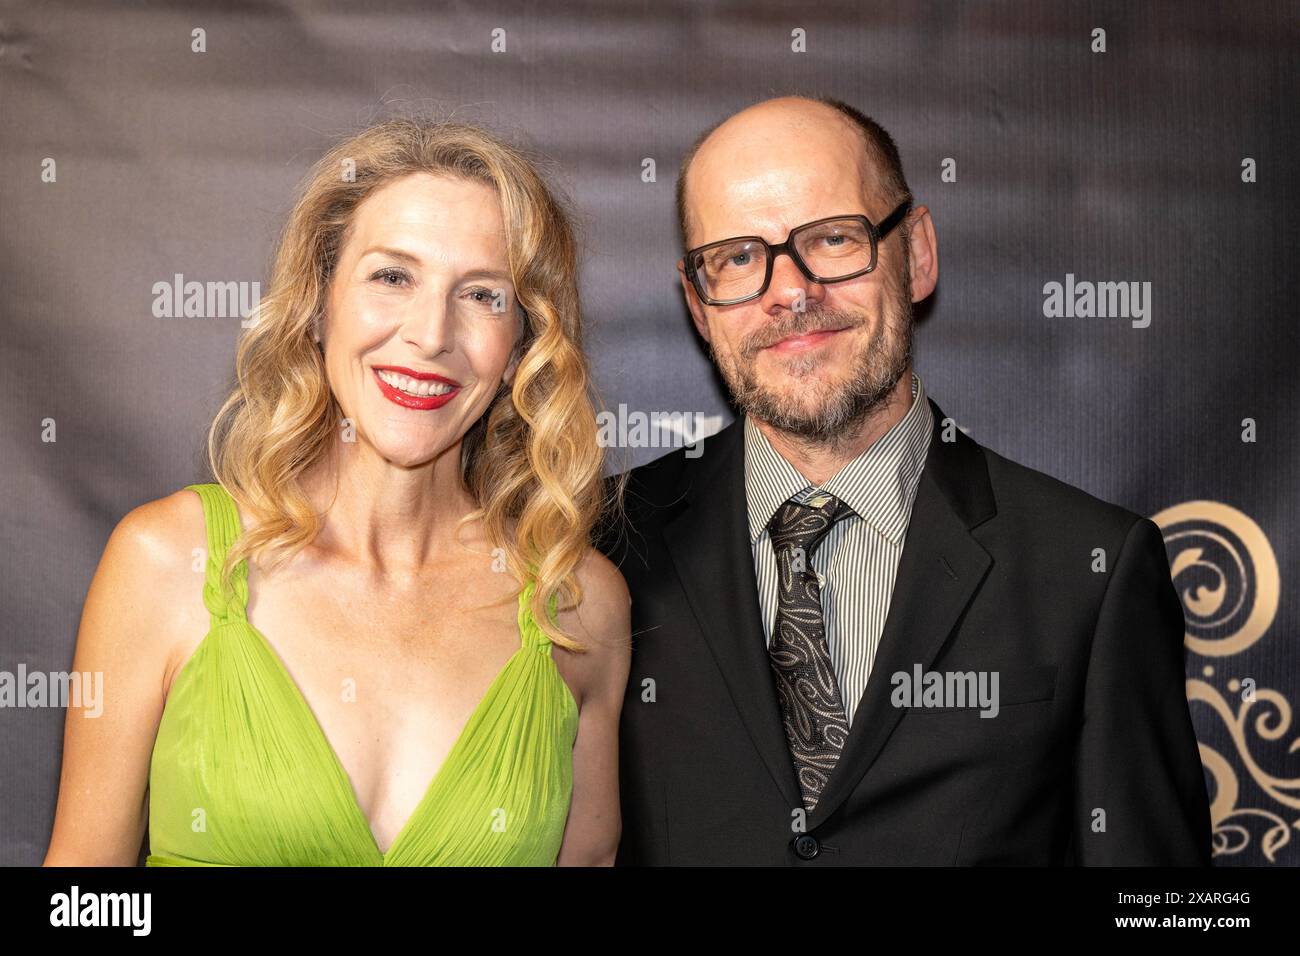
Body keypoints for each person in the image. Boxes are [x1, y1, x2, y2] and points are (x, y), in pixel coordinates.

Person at [598, 95, 1211, 865]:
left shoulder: (1089, 570)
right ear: (698, 303)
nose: (790, 291)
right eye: (738, 257)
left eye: (832, 238)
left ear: (916, 253)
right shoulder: (604, 549)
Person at [44, 118, 631, 866]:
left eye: (482, 294)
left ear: (520, 343)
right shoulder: (169, 561)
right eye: (393, 276)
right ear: (318, 306)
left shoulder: (579, 603)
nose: (429, 334)